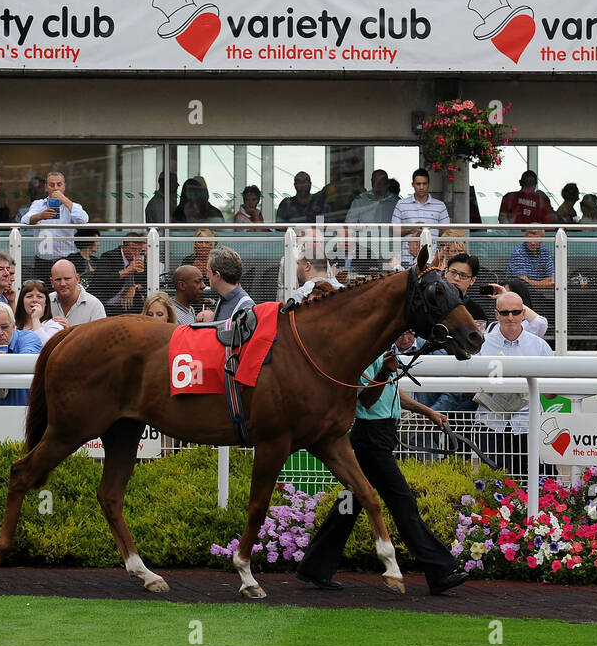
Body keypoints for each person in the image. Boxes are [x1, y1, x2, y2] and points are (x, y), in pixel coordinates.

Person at [295, 332, 466, 595]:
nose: (409, 335)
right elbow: (365, 399)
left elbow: (393, 392)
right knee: (403, 502)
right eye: (405, 330)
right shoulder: (368, 352)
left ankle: (315, 566)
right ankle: (441, 570)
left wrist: (427, 411)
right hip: (371, 438)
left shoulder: (386, 350)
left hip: (381, 435)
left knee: (350, 504)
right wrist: (385, 372)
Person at [473, 292, 553, 475]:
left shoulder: (539, 345)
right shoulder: (482, 344)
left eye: (516, 312)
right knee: (494, 488)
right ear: (496, 314)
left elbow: (552, 389)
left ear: (523, 313)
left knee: (540, 482)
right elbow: (468, 384)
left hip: (529, 424)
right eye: (505, 312)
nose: (510, 317)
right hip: (491, 423)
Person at [25, 170, 89, 282]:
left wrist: (63, 200)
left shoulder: (73, 206)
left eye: (59, 185)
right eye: (51, 185)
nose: (55, 188)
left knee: (65, 292)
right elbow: (25, 220)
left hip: (65, 260)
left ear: (64, 186)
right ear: (46, 187)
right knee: (43, 293)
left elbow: (83, 219)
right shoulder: (38, 204)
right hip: (42, 261)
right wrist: (41, 216)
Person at [94, 231, 148, 312]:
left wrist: (133, 287)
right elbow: (101, 279)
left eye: (139, 250)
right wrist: (128, 270)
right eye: (133, 249)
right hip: (106, 303)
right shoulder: (109, 256)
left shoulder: (139, 260)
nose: (136, 253)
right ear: (124, 247)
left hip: (127, 305)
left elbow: (147, 280)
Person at [198, 246, 253, 323]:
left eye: (208, 272)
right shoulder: (223, 298)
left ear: (217, 275)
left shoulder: (245, 307)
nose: (207, 276)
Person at [49, 259, 106, 328]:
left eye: (67, 279)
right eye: (58, 280)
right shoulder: (46, 302)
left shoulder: (95, 306)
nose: (63, 284)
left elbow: (99, 338)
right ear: (52, 282)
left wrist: (69, 333)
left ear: (77, 279)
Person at [15, 279, 65, 345]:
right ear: (22, 301)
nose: (34, 300)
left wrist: (35, 319)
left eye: (39, 297)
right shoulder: (12, 326)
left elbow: (45, 347)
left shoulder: (55, 326)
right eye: (29, 296)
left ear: (46, 302)